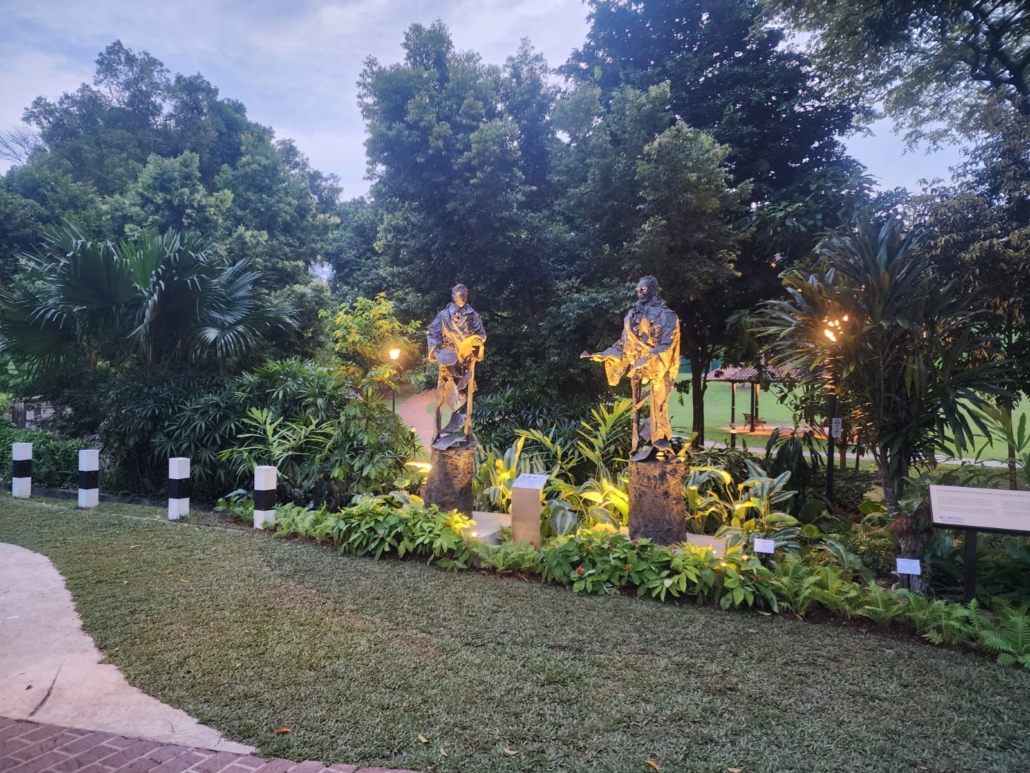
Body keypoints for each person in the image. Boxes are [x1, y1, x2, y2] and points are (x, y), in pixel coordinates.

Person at [583, 276, 680, 458]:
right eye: (637, 290)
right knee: (636, 408)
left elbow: (667, 343)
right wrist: (605, 354)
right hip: (638, 365)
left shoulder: (666, 314)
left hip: (657, 367)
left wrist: (649, 358)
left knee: (658, 404)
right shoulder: (631, 315)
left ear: (654, 290)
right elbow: (623, 343)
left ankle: (661, 442)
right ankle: (636, 446)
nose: (639, 293)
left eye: (643, 289)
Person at [427, 284, 486, 446]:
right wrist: (439, 352)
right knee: (441, 393)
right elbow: (432, 335)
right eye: (458, 294)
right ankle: (436, 432)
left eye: (464, 295)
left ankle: (467, 432)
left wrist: (476, 345)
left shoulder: (473, 316)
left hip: (467, 360)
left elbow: (481, 335)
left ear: (467, 296)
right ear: (452, 295)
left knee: (468, 394)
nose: (461, 297)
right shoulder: (443, 316)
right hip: (448, 359)